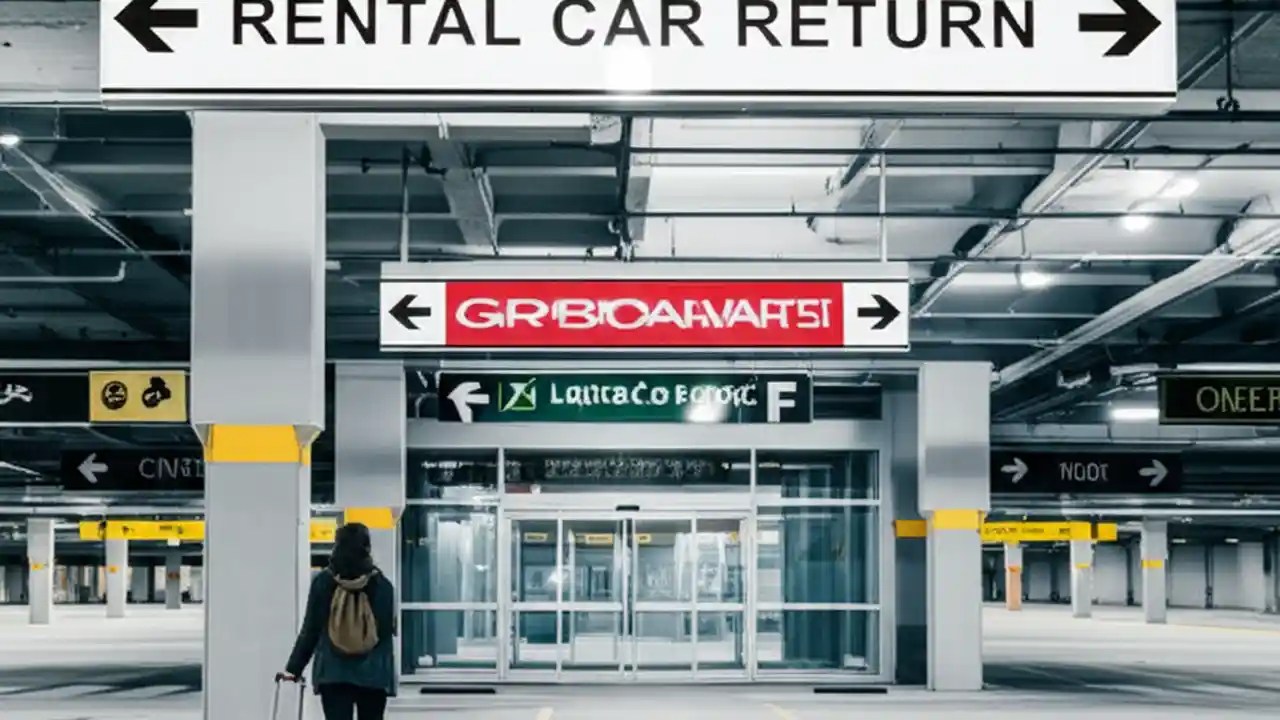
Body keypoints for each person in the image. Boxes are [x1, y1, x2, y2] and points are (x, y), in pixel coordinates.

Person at [280, 522, 396, 720]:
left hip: (333, 673)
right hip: (373, 674)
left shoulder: (323, 582)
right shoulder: (382, 585)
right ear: (366, 547)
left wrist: (294, 669)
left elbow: (311, 630)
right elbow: (385, 631)